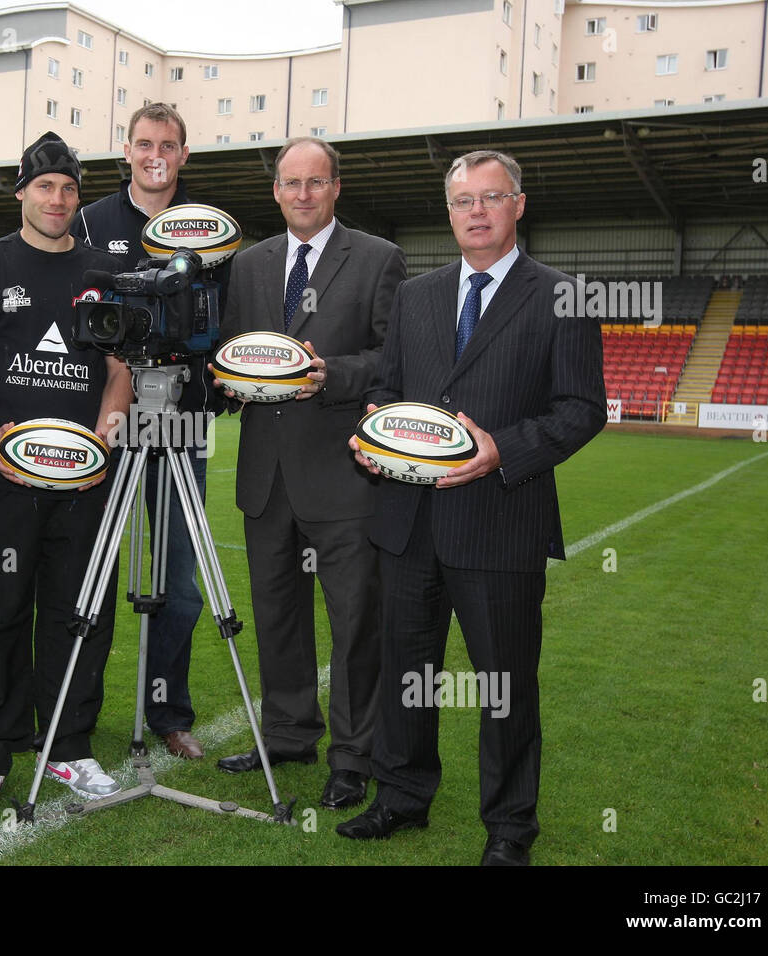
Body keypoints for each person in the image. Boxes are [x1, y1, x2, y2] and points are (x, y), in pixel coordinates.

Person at [336, 150, 605, 865]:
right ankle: (399, 795)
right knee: (404, 673)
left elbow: (582, 409)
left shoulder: (562, 296)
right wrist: (375, 433)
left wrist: (503, 451)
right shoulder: (419, 297)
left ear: (519, 205)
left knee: (505, 686)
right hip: (408, 522)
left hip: (500, 523)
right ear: (449, 211)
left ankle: (511, 829)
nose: (476, 212)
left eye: (491, 197)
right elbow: (390, 390)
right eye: (463, 200)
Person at [213, 137, 406, 812]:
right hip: (266, 475)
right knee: (277, 614)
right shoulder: (249, 265)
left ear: (335, 188)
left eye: (315, 183)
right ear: (276, 191)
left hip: (344, 475)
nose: (302, 194)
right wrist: (230, 383)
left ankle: (353, 755)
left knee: (354, 620)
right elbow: (234, 352)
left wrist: (334, 375)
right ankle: (289, 732)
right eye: (290, 183)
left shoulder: (378, 258)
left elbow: (393, 358)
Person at [0, 132, 134, 817]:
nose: (57, 199)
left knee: (77, 612)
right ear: (21, 192)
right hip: (0, 477)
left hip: (84, 482)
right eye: (44, 187)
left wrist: (103, 442)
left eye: (68, 188)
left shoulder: (105, 274)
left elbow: (119, 372)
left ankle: (68, 746)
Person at [70, 103, 219, 761]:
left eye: (169, 144)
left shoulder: (209, 230)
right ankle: (74, 713)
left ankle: (168, 711)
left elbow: (224, 328)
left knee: (180, 580)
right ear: (126, 150)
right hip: (105, 420)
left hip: (182, 418)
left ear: (183, 154)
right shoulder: (90, 222)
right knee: (90, 569)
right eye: (144, 143)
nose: (156, 153)